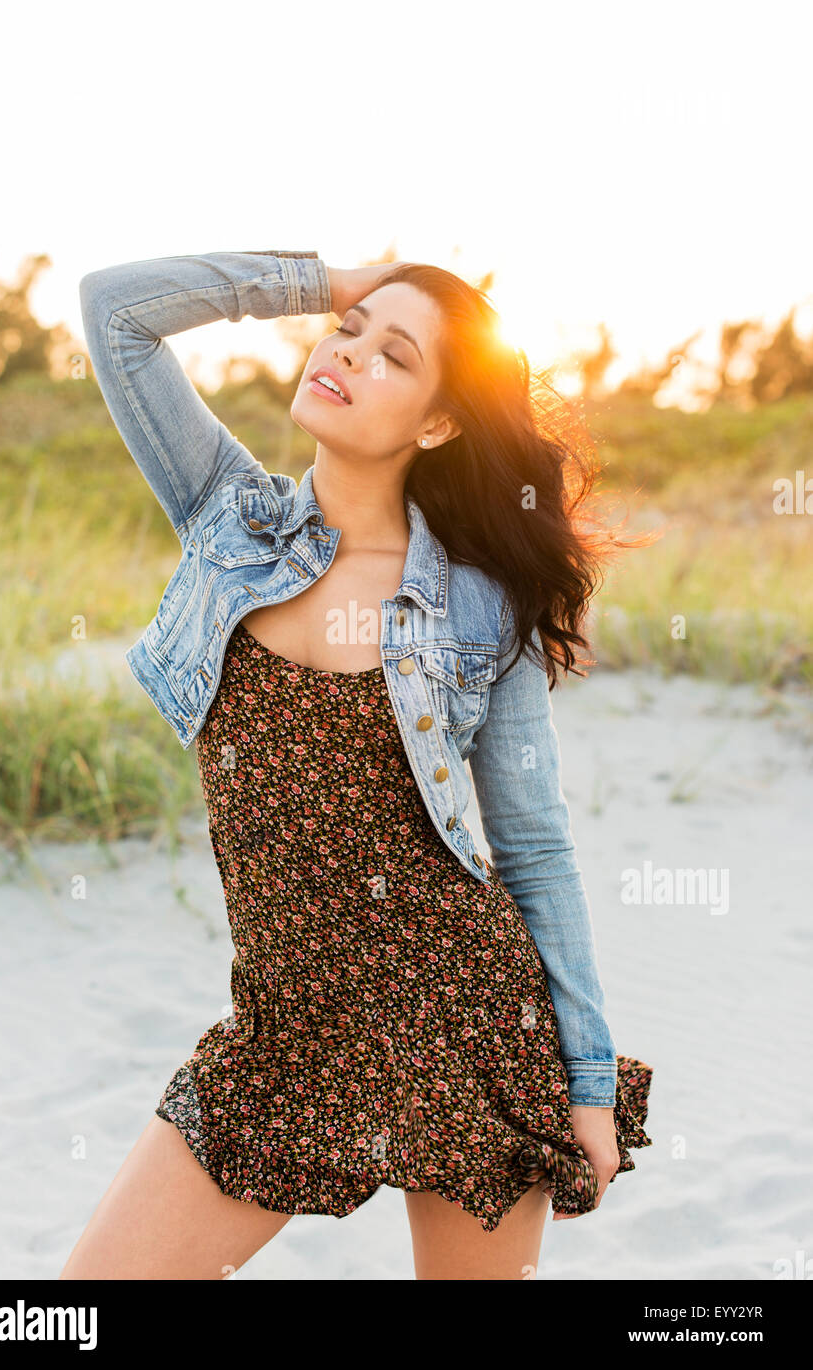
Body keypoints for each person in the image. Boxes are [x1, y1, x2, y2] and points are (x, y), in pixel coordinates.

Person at [60, 249, 652, 1281]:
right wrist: (329, 281)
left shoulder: (479, 602)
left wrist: (589, 1085)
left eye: (394, 355)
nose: (347, 353)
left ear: (438, 422)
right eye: (348, 331)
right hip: (283, 1036)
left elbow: (537, 851)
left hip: (466, 1024)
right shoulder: (229, 515)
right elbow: (114, 312)